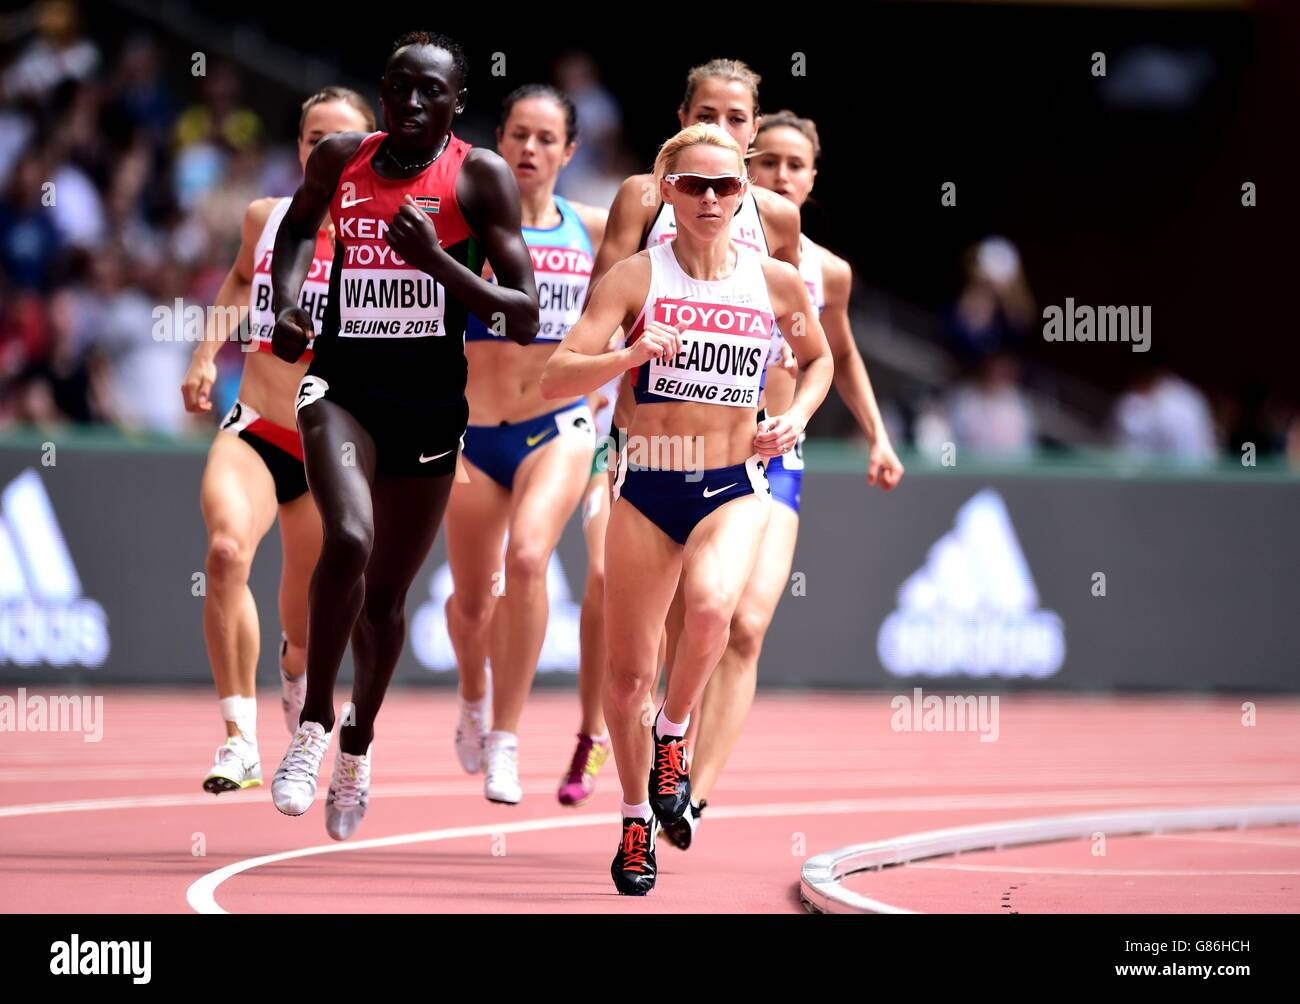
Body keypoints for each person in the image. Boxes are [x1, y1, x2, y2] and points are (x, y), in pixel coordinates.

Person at [541, 124, 833, 895]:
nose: (711, 200)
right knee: (628, 675)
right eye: (695, 186)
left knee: (711, 612)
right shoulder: (636, 277)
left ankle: (676, 734)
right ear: (666, 190)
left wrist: (798, 413)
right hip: (645, 485)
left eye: (726, 187)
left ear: (745, 197)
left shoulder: (773, 282)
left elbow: (819, 356)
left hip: (732, 483)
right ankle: (635, 819)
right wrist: (628, 356)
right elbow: (556, 376)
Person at [266, 31, 539, 841]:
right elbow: (296, 232)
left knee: (384, 603)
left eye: (431, 93)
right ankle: (313, 725)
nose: (412, 105)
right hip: (341, 387)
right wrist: (287, 303)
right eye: (399, 89)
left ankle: (359, 740)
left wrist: (439, 263)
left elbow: (521, 316)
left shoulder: (479, 176)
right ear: (382, 93)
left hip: (428, 410)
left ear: (456, 104)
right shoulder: (341, 158)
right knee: (346, 536)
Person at [661, 110, 905, 849]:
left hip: (776, 455)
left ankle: (692, 799)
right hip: (692, 455)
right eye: (767, 163)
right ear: (743, 170)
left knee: (747, 624)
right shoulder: (693, 245)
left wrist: (878, 437)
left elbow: (842, 355)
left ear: (813, 179)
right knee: (689, 623)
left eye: (796, 166)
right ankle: (663, 749)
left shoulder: (823, 270)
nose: (780, 177)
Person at [180, 87, 374, 795]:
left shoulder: (384, 241)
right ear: (299, 147)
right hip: (255, 429)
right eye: (314, 137)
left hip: (328, 447)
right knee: (226, 551)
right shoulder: (266, 219)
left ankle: (296, 678)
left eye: (343, 139)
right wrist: (205, 354)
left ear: (369, 149)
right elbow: (238, 279)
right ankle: (238, 738)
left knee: (304, 620)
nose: (327, 149)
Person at [444, 84, 608, 805]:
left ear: (570, 151)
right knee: (471, 604)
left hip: (557, 424)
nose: (530, 149)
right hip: (471, 435)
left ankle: (506, 740)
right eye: (518, 135)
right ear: (498, 143)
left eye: (547, 138)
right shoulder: (464, 226)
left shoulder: (595, 230)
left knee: (529, 559)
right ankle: (472, 695)